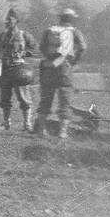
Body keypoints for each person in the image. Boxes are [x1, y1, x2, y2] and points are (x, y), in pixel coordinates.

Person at [36, 8, 88, 139]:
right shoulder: (74, 32)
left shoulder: (50, 30)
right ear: (72, 19)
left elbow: (41, 46)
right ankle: (62, 132)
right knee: (65, 99)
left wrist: (49, 58)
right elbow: (83, 47)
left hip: (49, 67)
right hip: (64, 68)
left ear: (61, 18)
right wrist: (74, 61)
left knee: (46, 98)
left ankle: (41, 130)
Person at [0, 10, 38, 131]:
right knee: (5, 98)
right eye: (7, 19)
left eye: (10, 19)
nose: (7, 22)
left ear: (16, 21)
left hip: (19, 69)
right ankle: (6, 122)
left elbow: (34, 48)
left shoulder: (24, 35)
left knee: (24, 98)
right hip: (6, 69)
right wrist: (2, 52)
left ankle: (27, 123)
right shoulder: (3, 35)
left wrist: (24, 52)